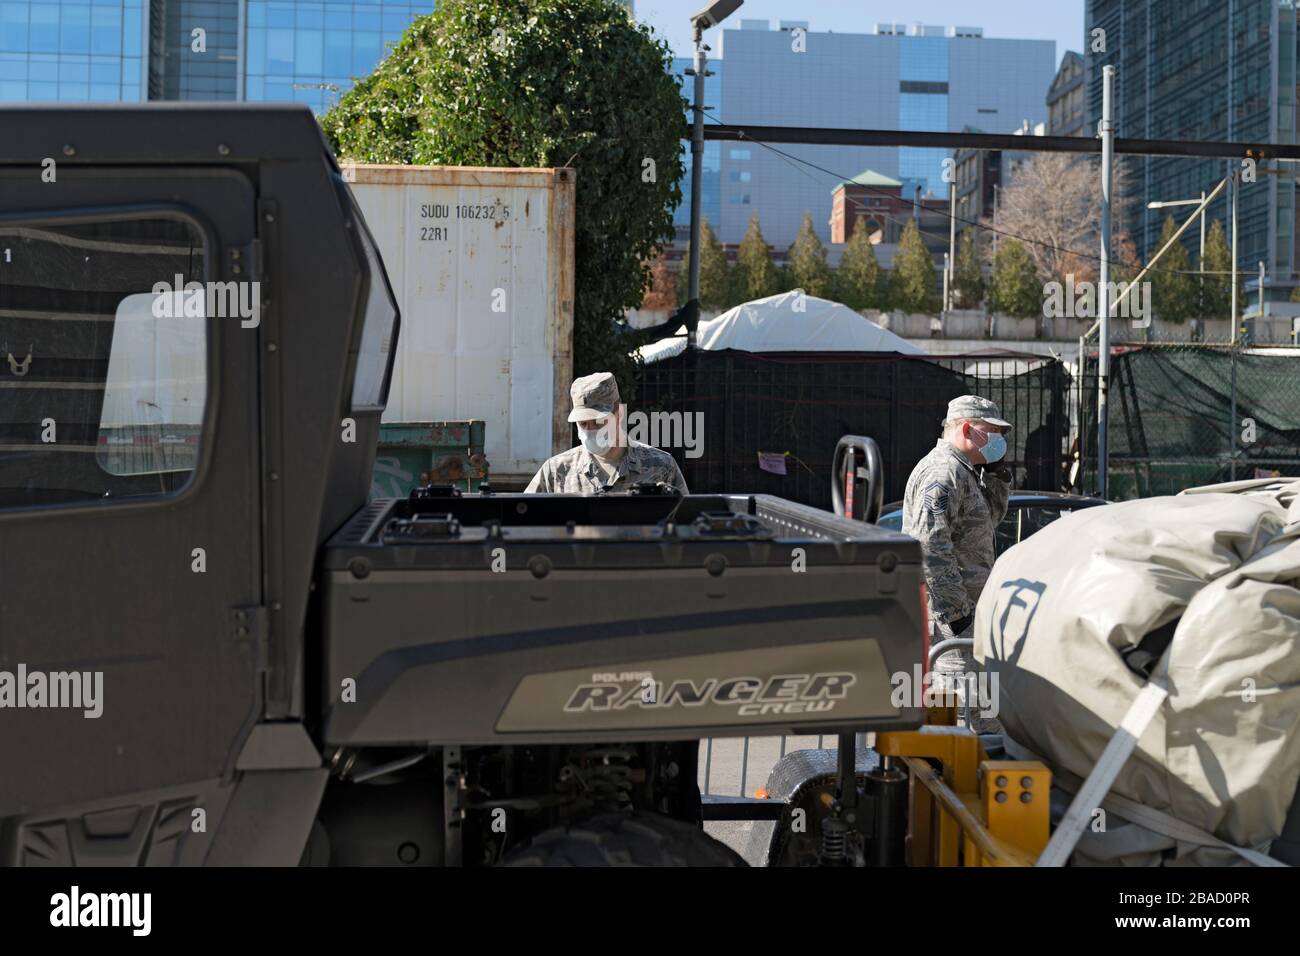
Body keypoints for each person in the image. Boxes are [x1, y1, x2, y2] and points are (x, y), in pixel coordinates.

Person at [902, 395, 1012, 719]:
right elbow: (930, 548)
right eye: (991, 432)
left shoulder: (965, 471)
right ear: (967, 428)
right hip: (951, 625)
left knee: (978, 713)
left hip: (968, 619)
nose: (998, 440)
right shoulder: (943, 473)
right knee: (961, 715)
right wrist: (957, 617)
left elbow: (989, 519)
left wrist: (996, 474)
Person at [524, 372, 689, 494]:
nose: (590, 431)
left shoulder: (661, 466)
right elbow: (520, 522)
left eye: (598, 422)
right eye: (583, 424)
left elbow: (684, 524)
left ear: (619, 414)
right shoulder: (557, 471)